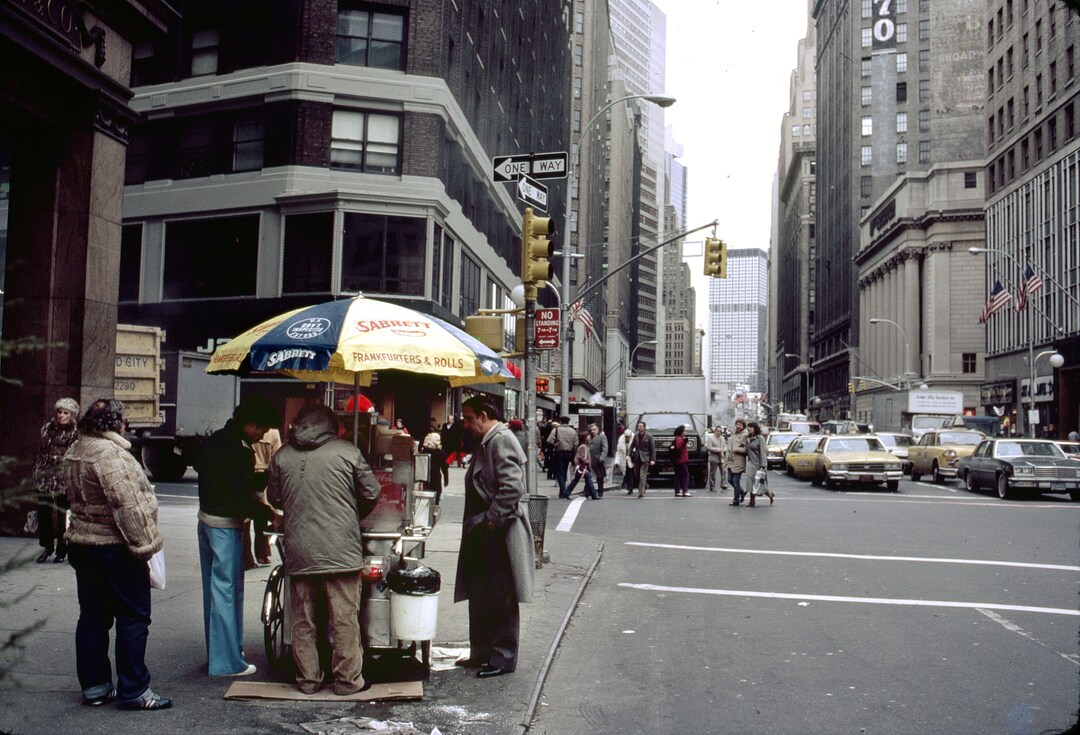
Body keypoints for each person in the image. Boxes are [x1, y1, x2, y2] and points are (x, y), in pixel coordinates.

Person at [267, 405, 382, 696]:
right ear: (331, 426)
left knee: (303, 620)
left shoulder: (282, 456)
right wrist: (349, 513)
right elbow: (372, 493)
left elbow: (274, 497)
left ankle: (308, 680)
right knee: (344, 618)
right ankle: (347, 681)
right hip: (341, 549)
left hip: (300, 549)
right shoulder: (348, 451)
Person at [64, 399, 171, 710]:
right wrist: (146, 547)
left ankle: (95, 687)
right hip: (113, 546)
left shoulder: (77, 448)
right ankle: (135, 689)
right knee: (134, 616)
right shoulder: (111, 454)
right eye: (123, 420)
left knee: (93, 616)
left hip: (82, 542)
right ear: (114, 423)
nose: (126, 425)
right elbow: (128, 506)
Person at [197, 397, 280, 677]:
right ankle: (226, 662)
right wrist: (269, 513)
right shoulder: (239, 451)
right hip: (225, 524)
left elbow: (229, 483)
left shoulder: (218, 439)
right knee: (227, 591)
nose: (261, 437)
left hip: (206, 520)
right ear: (250, 425)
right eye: (261, 430)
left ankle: (221, 652)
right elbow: (238, 495)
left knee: (215, 590)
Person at [454, 395, 534, 679]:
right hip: (484, 532)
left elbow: (512, 487)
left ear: (484, 416)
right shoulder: (488, 441)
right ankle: (483, 652)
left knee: (500, 595)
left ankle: (502, 657)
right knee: (481, 593)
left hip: (497, 532)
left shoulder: (501, 439)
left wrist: (491, 520)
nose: (466, 423)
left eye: (468, 418)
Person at [34, 397, 80, 564]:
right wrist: (38, 473)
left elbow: (75, 456)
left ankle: (62, 548)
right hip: (45, 477)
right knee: (44, 512)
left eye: (65, 413)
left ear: (72, 415)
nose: (61, 415)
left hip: (63, 478)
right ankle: (47, 546)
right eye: (59, 412)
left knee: (62, 514)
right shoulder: (46, 429)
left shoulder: (76, 433)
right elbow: (40, 453)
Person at [244, 427, 281, 568]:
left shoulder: (249, 431)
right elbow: (276, 456)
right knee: (262, 519)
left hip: (248, 472)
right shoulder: (273, 432)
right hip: (264, 474)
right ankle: (262, 555)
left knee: (246, 519)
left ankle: (246, 558)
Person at [745, 421, 774, 506]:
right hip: (751, 463)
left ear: (755, 428)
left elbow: (763, 453)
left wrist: (763, 466)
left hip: (758, 464)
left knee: (760, 483)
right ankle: (752, 501)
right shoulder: (749, 438)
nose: (749, 429)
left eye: (751, 427)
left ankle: (770, 495)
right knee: (750, 483)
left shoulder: (760, 438)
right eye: (748, 427)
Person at [563, 432, 599, 500]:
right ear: (585, 438)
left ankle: (566, 493)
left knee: (577, 480)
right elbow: (582, 457)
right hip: (582, 466)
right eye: (588, 436)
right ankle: (594, 495)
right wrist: (587, 462)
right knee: (588, 480)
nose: (589, 437)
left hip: (581, 467)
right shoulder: (583, 446)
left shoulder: (584, 446)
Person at [548, 417, 577, 498]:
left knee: (559, 472)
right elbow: (576, 443)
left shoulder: (556, 430)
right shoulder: (573, 431)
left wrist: (555, 444)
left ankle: (564, 491)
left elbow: (549, 440)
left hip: (559, 453)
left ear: (560, 421)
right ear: (568, 422)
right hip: (569, 453)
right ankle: (562, 492)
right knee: (564, 471)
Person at [628, 421, 656, 498]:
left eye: (641, 426)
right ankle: (645, 485)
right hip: (637, 457)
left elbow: (652, 449)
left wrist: (653, 459)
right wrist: (628, 455)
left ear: (644, 427)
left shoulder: (649, 436)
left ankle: (641, 492)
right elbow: (631, 446)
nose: (639, 428)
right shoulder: (636, 435)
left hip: (645, 458)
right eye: (638, 426)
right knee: (637, 475)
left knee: (642, 476)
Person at [421, 428, 448, 503]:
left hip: (425, 476)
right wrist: (446, 479)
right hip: (436, 476)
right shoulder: (440, 452)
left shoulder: (423, 451)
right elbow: (444, 467)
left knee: (426, 496)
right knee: (436, 494)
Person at [728, 419, 749, 505]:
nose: (738, 426)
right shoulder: (733, 434)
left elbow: (747, 449)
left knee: (736, 481)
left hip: (739, 461)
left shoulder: (745, 435)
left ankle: (736, 499)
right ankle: (741, 491)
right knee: (730, 480)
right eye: (737, 424)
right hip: (731, 460)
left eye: (740, 425)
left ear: (743, 426)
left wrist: (737, 450)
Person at [587, 424, 609, 497]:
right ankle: (587, 492)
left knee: (599, 476)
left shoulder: (602, 437)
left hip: (598, 459)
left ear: (598, 430)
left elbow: (605, 448)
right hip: (589, 459)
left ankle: (600, 491)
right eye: (591, 430)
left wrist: (602, 458)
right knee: (588, 475)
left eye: (594, 429)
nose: (592, 431)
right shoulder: (588, 437)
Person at [671, 425, 692, 497]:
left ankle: (677, 491)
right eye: (684, 431)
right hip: (681, 460)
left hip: (677, 460)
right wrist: (684, 442)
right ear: (681, 432)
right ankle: (685, 491)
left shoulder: (677, 438)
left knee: (678, 475)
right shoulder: (679, 439)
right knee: (685, 475)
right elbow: (679, 448)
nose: (685, 432)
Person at [705, 425, 727, 494]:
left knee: (724, 471)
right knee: (713, 473)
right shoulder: (711, 438)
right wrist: (718, 450)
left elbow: (725, 446)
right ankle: (712, 486)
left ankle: (723, 484)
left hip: (722, 457)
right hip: (714, 457)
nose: (719, 432)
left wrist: (723, 450)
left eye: (720, 431)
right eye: (718, 431)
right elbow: (708, 447)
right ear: (715, 431)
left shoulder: (722, 438)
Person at [614, 428, 635, 493]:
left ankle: (631, 487)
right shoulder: (621, 440)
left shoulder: (634, 438)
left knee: (632, 473)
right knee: (627, 473)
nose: (627, 439)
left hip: (632, 459)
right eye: (626, 437)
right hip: (624, 459)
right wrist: (617, 461)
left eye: (628, 437)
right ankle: (629, 487)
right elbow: (618, 452)